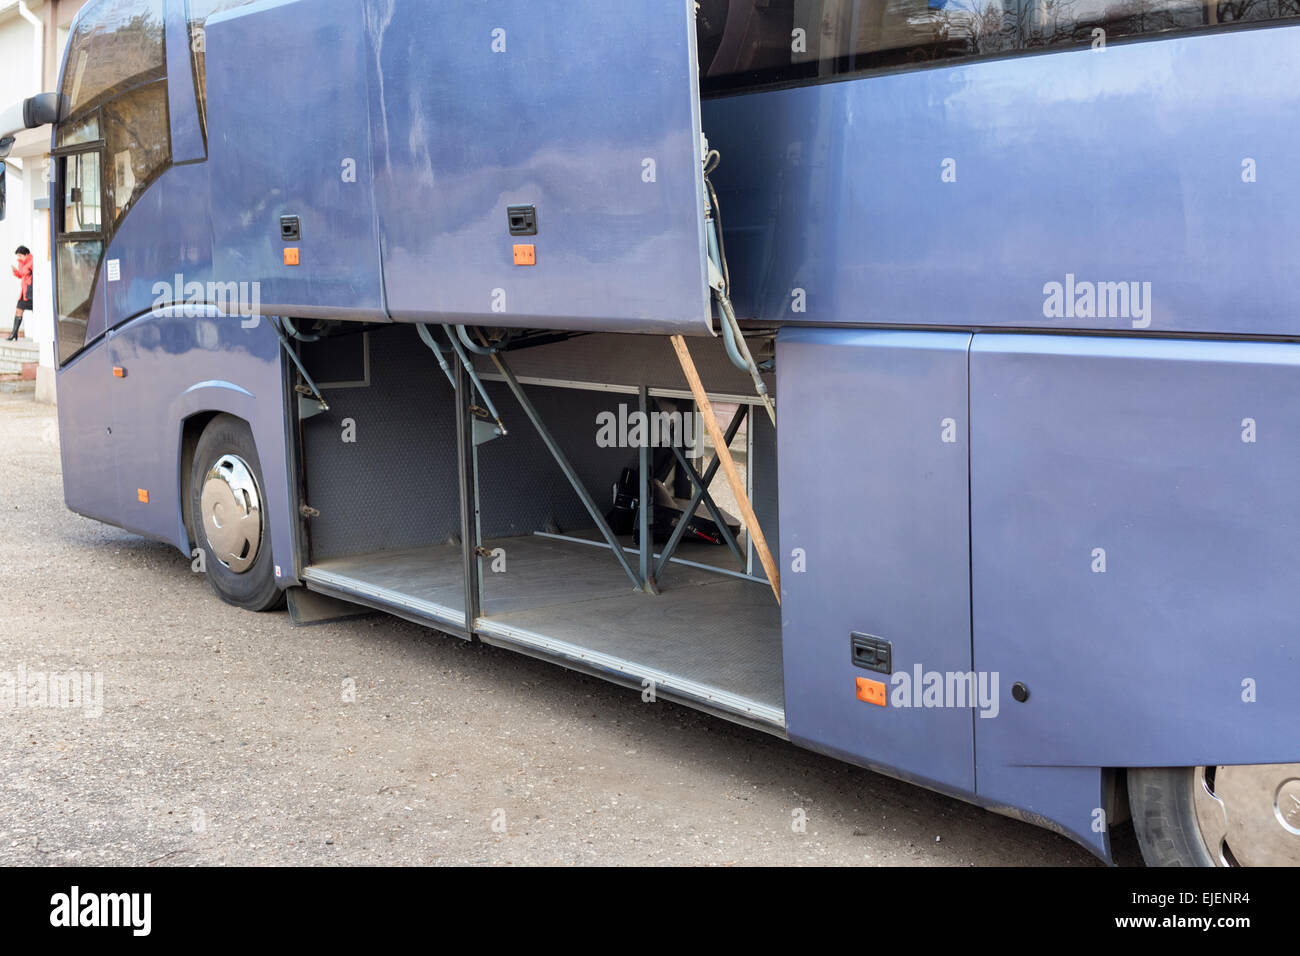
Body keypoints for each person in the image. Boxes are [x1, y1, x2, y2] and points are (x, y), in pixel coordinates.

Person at [9, 245, 32, 341]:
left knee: (19, 309)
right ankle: (14, 334)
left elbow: (28, 273)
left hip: (30, 292)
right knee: (18, 310)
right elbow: (21, 275)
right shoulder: (22, 263)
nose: (19, 258)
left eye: (20, 256)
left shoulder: (31, 262)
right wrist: (15, 272)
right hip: (24, 291)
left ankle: (14, 334)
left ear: (26, 254)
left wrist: (21, 270)